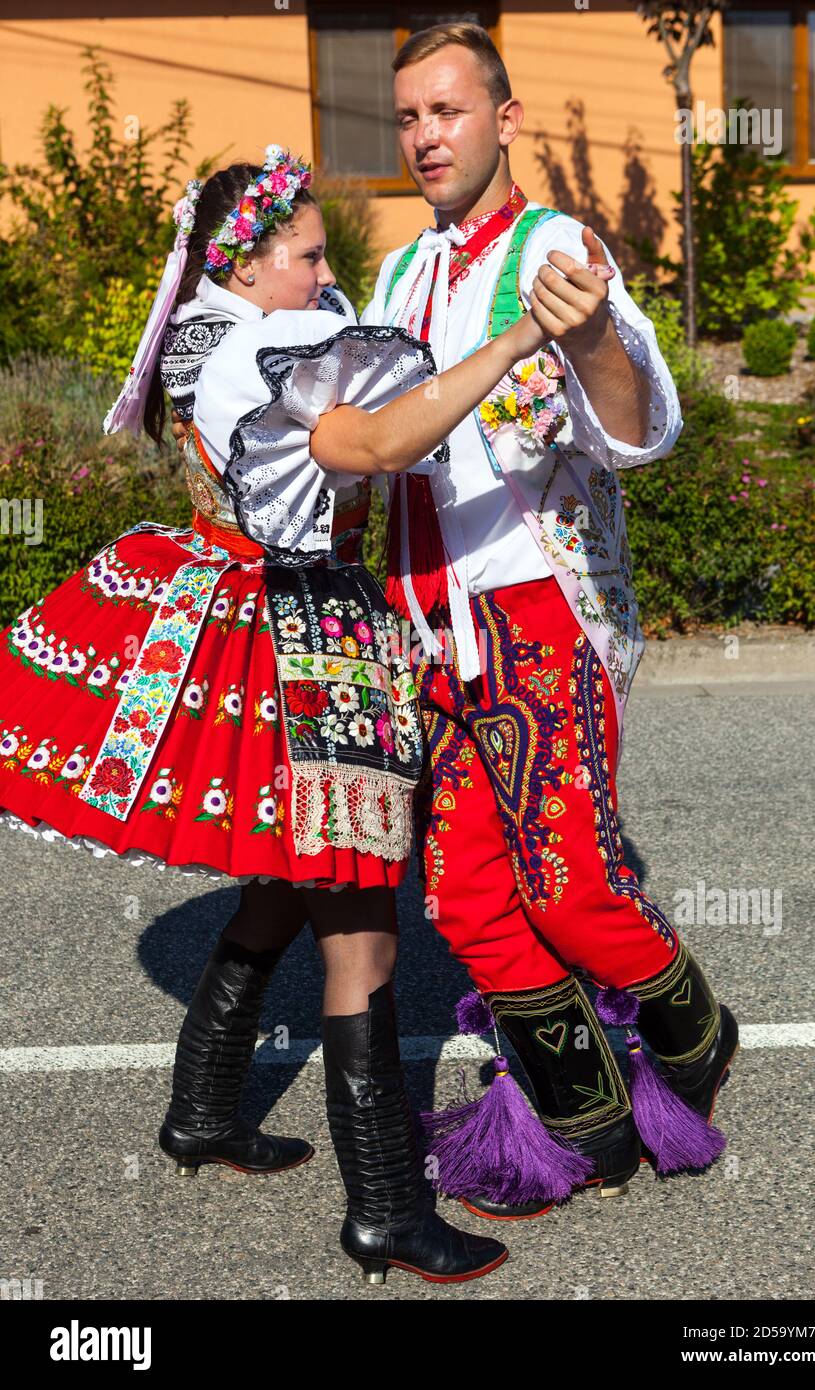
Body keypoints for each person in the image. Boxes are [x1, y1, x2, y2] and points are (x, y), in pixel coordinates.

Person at [0, 145, 552, 1281]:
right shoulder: (265, 345)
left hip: (234, 615)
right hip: (302, 640)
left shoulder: (204, 321)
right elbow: (375, 444)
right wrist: (514, 340)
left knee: (280, 877)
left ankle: (202, 1110)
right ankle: (385, 1212)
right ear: (246, 262)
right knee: (361, 924)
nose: (323, 270)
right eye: (305, 253)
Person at [355, 23, 740, 1219]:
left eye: (449, 112)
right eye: (410, 116)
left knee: (568, 882)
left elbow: (637, 429)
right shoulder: (396, 275)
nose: (426, 136)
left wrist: (586, 339)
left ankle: (694, 1030)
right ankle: (583, 1129)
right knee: (465, 897)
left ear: (505, 119)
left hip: (535, 614)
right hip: (429, 624)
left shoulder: (555, 247)